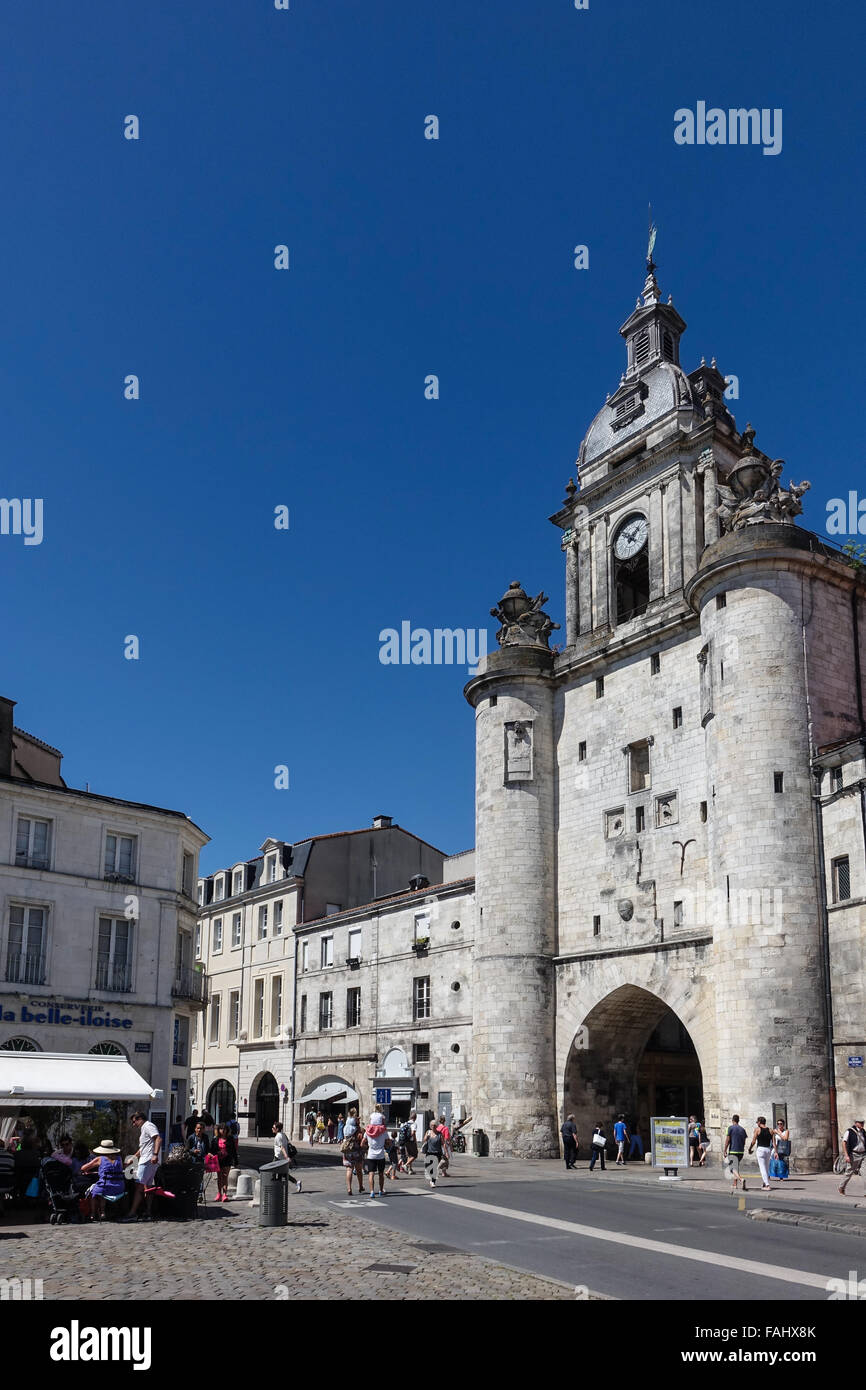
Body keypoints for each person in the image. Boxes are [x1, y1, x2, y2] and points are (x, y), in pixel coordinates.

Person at [121, 1111, 162, 1221]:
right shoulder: (145, 1128)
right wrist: (133, 1158)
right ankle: (148, 1212)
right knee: (147, 1187)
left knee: (139, 1186)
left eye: (134, 1122)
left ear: (140, 1119)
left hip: (147, 1160)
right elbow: (143, 1147)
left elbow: (158, 1139)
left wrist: (155, 1154)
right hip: (147, 1159)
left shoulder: (148, 1126)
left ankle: (132, 1213)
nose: (134, 1124)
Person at [80, 1139, 126, 1220]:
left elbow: (83, 1168)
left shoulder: (100, 1159)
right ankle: (103, 1212)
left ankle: (93, 1214)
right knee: (103, 1187)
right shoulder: (119, 1158)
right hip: (119, 1188)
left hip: (105, 1187)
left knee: (93, 1190)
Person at [362, 1109, 388, 1198]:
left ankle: (372, 1192)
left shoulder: (367, 1131)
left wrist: (367, 1147)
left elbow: (362, 1143)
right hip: (380, 1154)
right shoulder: (383, 1131)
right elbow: (388, 1142)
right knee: (381, 1173)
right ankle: (380, 1190)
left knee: (371, 1173)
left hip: (371, 1154)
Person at [272, 1121, 303, 1193]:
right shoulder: (283, 1135)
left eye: (273, 1127)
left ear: (277, 1129)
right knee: (282, 1174)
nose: (272, 1129)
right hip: (282, 1158)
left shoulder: (278, 1137)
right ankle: (295, 1182)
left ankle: (275, 1188)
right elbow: (288, 1144)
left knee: (272, 1172)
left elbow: (282, 1147)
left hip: (278, 1157)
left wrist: (287, 1157)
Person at [838, 1118, 866, 1196]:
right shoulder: (849, 1131)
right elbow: (844, 1143)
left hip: (863, 1154)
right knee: (849, 1172)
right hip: (854, 1155)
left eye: (863, 1123)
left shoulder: (863, 1131)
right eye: (860, 1123)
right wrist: (846, 1155)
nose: (862, 1124)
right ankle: (841, 1188)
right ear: (856, 1123)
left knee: (865, 1173)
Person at [748, 1115, 774, 1191]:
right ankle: (764, 1183)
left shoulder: (757, 1129)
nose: (757, 1124)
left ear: (759, 1122)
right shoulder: (770, 1130)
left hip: (760, 1149)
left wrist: (749, 1149)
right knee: (766, 1167)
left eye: (757, 1122)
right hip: (768, 1149)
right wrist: (775, 1151)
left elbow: (753, 1141)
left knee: (762, 1168)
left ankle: (767, 1185)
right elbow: (773, 1142)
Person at [723, 1113, 748, 1191]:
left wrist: (724, 1150)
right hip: (741, 1152)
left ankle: (741, 1179)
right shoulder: (743, 1129)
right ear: (738, 1120)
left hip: (733, 1151)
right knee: (736, 1167)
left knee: (732, 1168)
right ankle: (734, 1184)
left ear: (732, 1120)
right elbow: (744, 1141)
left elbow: (727, 1140)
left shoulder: (730, 1128)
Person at [214, 1123, 237, 1202]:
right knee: (219, 1177)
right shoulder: (216, 1139)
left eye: (224, 1129)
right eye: (221, 1129)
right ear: (218, 1130)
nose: (222, 1131)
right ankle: (219, 1193)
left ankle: (224, 1194)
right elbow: (212, 1149)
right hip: (218, 1160)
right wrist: (217, 1153)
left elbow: (234, 1150)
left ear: (227, 1130)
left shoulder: (230, 1139)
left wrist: (235, 1161)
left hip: (227, 1160)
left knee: (225, 1177)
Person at [341, 1117, 365, 1195]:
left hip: (347, 1151)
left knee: (349, 1170)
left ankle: (349, 1188)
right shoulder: (359, 1129)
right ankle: (360, 1186)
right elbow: (362, 1139)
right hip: (357, 1151)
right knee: (359, 1170)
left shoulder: (346, 1128)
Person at [421, 1120, 443, 1187]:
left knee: (435, 1168)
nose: (433, 1126)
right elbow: (424, 1140)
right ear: (430, 1126)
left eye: (434, 1125)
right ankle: (431, 1177)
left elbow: (443, 1143)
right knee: (428, 1167)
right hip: (429, 1152)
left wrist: (446, 1152)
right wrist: (426, 1138)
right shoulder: (428, 1132)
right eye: (432, 1125)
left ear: (436, 1126)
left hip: (437, 1153)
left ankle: (433, 1182)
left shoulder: (439, 1134)